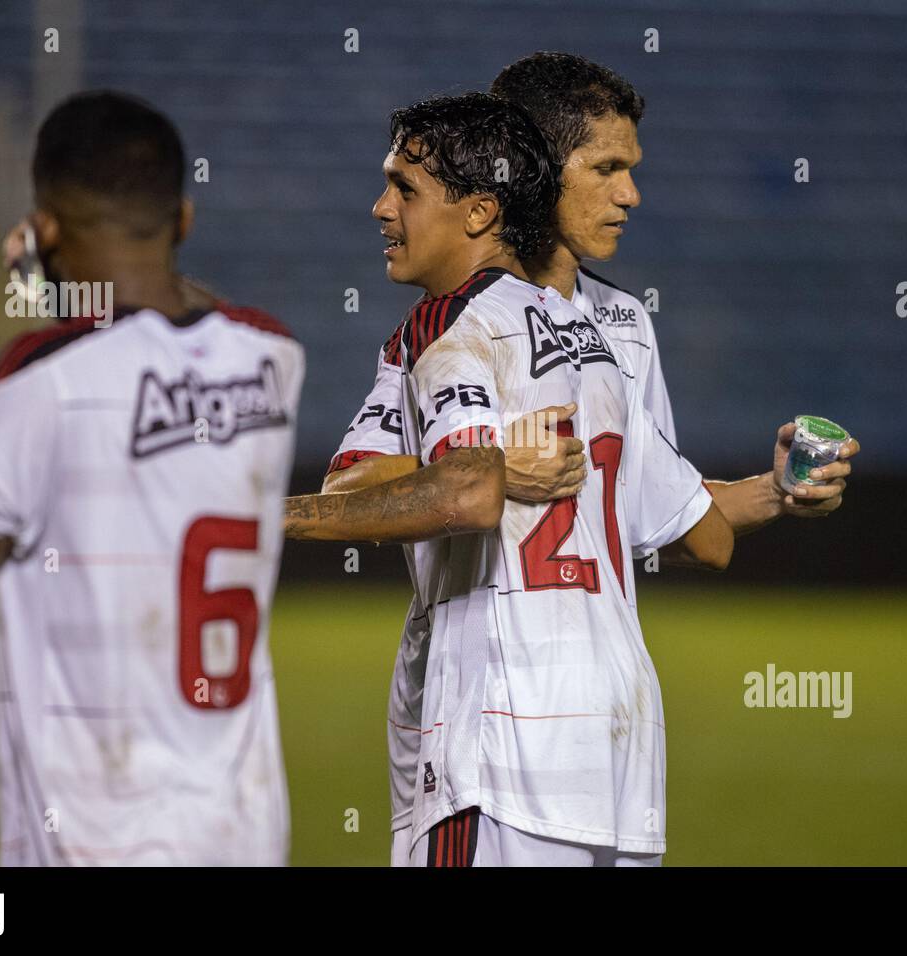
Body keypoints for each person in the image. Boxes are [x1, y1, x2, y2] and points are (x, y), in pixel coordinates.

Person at [324, 52, 862, 864]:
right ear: (530, 165)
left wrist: (780, 491)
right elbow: (364, 486)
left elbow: (666, 519)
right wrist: (498, 468)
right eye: (605, 168)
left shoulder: (617, 327)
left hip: (518, 734)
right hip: (561, 729)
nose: (629, 194)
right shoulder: (485, 330)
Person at [281, 92, 735, 866]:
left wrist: (264, 515)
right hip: (624, 752)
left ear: (480, 211)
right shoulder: (594, 340)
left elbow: (459, 496)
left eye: (404, 189)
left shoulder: (443, 325)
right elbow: (711, 537)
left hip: (504, 750)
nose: (380, 208)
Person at [0, 91, 304, 866]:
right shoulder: (272, 359)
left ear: (47, 230)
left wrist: (44, 285)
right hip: (244, 833)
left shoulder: (34, 384)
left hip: (97, 839)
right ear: (184, 222)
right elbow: (183, 321)